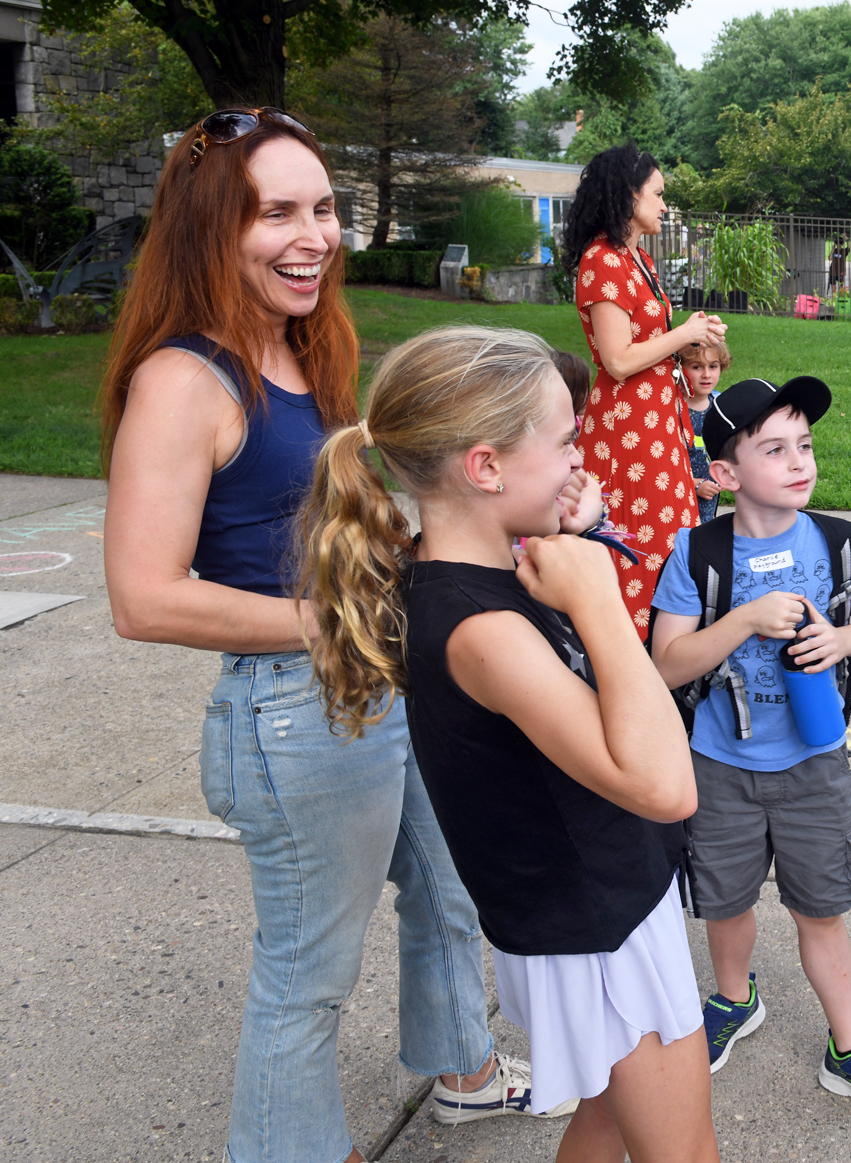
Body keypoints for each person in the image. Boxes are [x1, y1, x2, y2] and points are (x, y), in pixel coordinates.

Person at [100, 109, 560, 1163]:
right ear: (211, 230)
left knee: (447, 883)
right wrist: (332, 619)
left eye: (324, 208)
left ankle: (466, 1073)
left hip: (381, 689)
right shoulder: (184, 381)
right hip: (296, 717)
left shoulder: (303, 350)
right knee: (306, 974)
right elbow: (143, 597)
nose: (316, 235)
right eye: (277, 213)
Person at [298, 325, 718, 1162]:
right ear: (486, 468)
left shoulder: (472, 575)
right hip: (599, 925)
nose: (580, 461)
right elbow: (667, 787)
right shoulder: (484, 631)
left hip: (587, 907)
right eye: (566, 442)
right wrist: (599, 598)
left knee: (604, 1119)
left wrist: (575, 540)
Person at [647, 378, 851, 1125]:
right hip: (720, 766)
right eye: (774, 448)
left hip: (813, 762)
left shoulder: (837, 541)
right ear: (727, 475)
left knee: (821, 908)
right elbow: (667, 664)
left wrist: (841, 638)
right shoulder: (698, 552)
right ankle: (735, 998)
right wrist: (740, 620)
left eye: (803, 445)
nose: (799, 461)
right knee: (726, 901)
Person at [564, 141, 727, 639]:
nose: (663, 205)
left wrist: (697, 334)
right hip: (627, 431)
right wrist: (686, 334)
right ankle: (630, 649)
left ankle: (665, 647)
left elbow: (649, 345)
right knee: (637, 537)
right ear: (627, 197)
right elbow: (616, 361)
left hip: (657, 421)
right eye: (657, 195)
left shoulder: (638, 260)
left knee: (669, 534)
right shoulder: (602, 261)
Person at [677, 338, 730, 522]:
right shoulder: (674, 409)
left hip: (710, 497)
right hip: (678, 498)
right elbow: (662, 464)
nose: (706, 374)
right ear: (681, 368)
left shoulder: (721, 406)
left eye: (713, 366)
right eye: (697, 367)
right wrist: (694, 484)